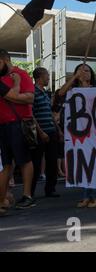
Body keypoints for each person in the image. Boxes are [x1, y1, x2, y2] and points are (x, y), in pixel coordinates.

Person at [58, 64, 96, 208]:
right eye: (81, 71)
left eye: (87, 70)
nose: (85, 73)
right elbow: (60, 93)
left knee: (95, 164)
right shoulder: (73, 91)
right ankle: (86, 195)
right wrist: (74, 78)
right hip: (79, 135)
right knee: (83, 164)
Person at [0, 49, 36, 211]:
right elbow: (15, 96)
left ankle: (27, 195)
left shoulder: (21, 74)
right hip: (2, 125)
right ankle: (3, 198)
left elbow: (30, 97)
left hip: (18, 123)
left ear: (5, 60)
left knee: (23, 160)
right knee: (6, 164)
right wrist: (15, 91)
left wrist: (13, 94)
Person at [30, 67, 62, 198]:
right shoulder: (32, 92)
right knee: (36, 163)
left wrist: (58, 129)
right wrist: (41, 132)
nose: (49, 78)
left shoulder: (44, 92)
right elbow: (31, 114)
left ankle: (50, 189)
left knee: (52, 162)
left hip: (52, 131)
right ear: (39, 77)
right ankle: (29, 192)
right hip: (40, 133)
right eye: (47, 75)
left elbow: (49, 113)